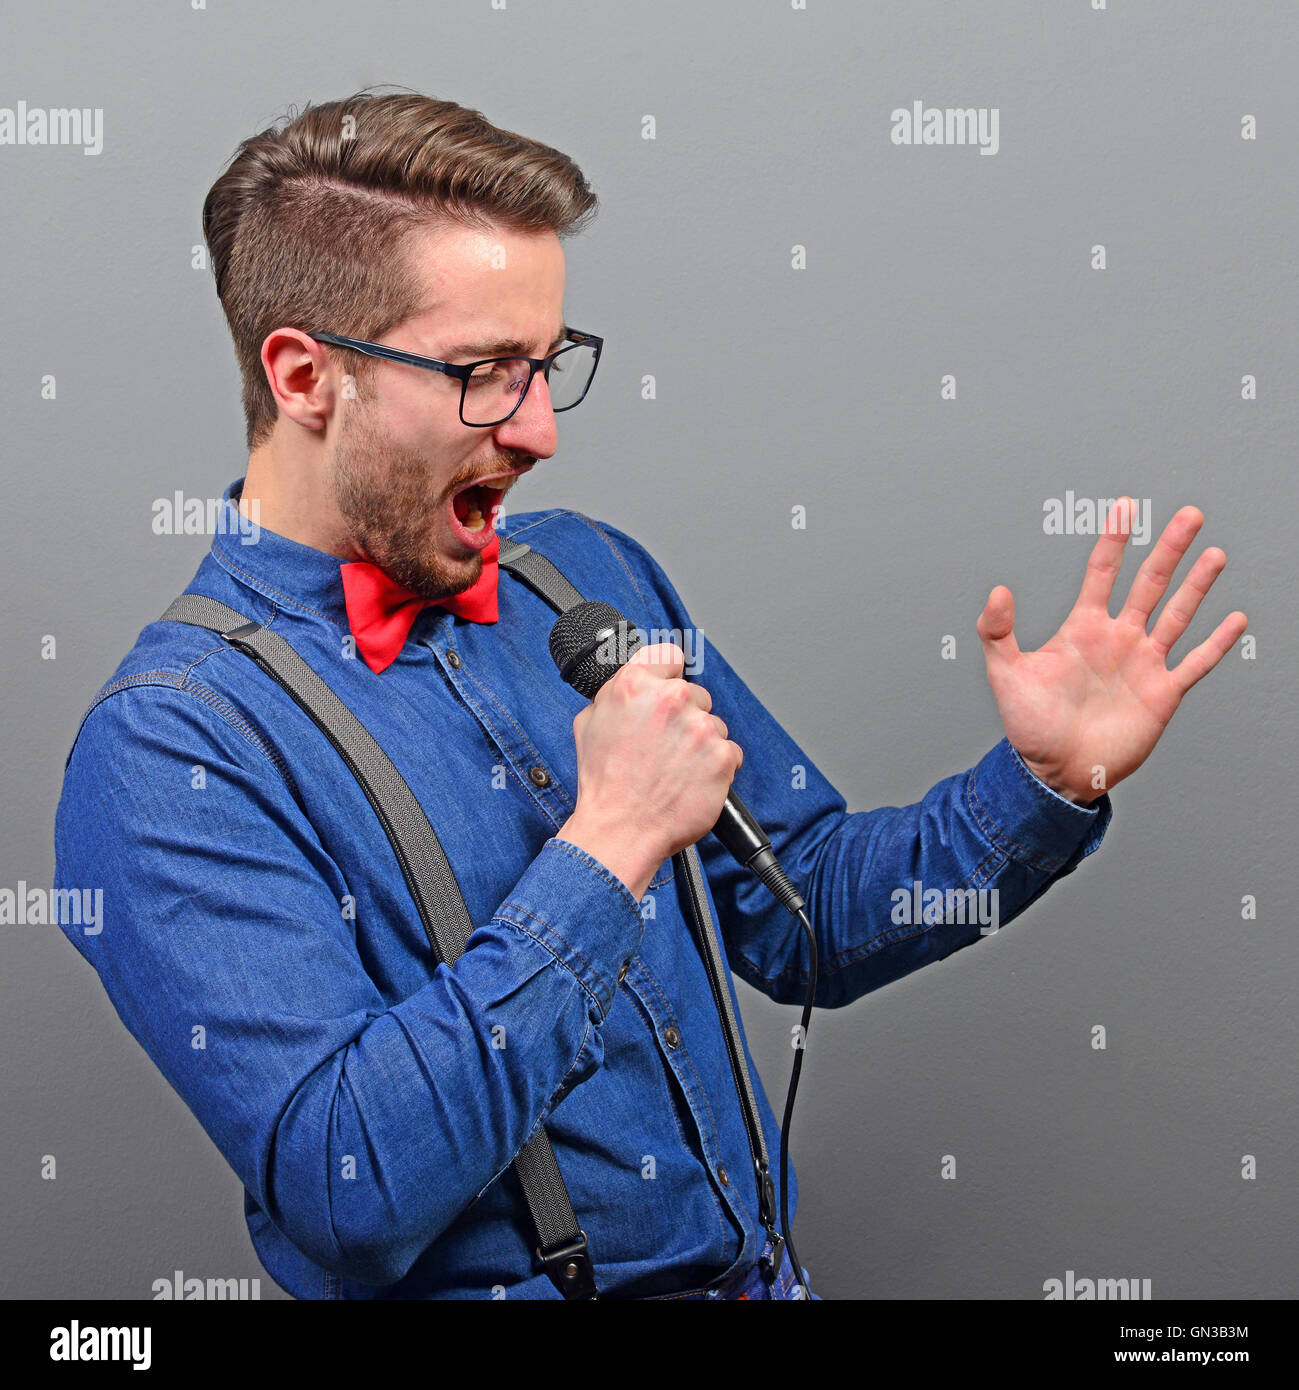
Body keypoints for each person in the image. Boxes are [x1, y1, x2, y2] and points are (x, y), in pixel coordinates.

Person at [52, 89, 1246, 1301]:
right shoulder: (168, 749)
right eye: (480, 374)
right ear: (308, 377)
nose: (537, 432)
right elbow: (350, 1189)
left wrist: (1040, 783)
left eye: (545, 366)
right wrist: (610, 841)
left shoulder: (586, 575)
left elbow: (807, 914)